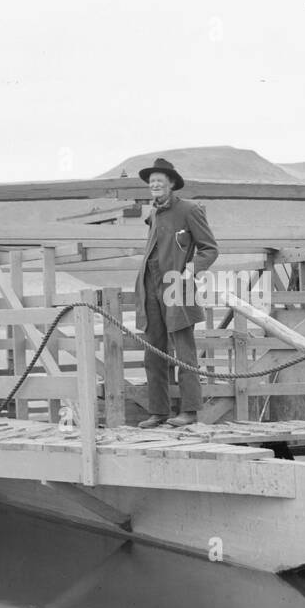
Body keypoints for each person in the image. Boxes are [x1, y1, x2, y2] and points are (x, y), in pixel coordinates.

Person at [133, 158, 219, 427]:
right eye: (152, 181)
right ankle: (158, 412)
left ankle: (190, 411)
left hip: (178, 286)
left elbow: (210, 248)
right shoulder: (154, 213)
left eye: (160, 180)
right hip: (150, 285)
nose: (155, 185)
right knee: (153, 350)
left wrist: (190, 271)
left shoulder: (190, 210)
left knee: (184, 350)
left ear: (171, 183)